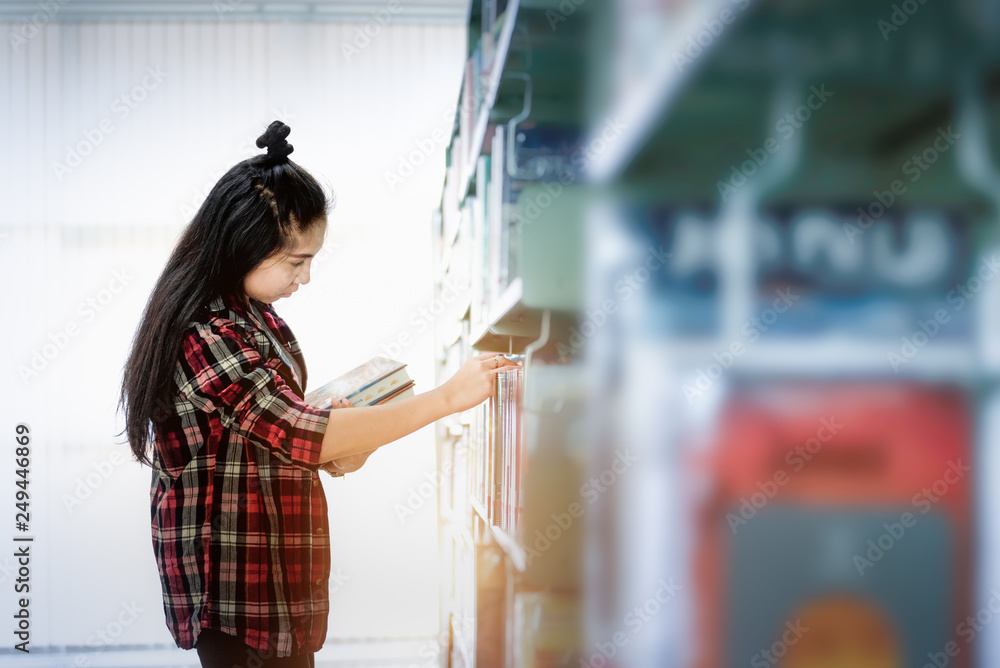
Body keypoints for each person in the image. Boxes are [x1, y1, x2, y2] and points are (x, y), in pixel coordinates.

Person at [118, 120, 518, 668]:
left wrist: (339, 446)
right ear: (243, 244)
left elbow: (280, 432)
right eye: (295, 261)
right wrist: (446, 398)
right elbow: (301, 432)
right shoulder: (206, 334)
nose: (304, 279)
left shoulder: (259, 319)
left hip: (277, 585)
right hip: (237, 597)